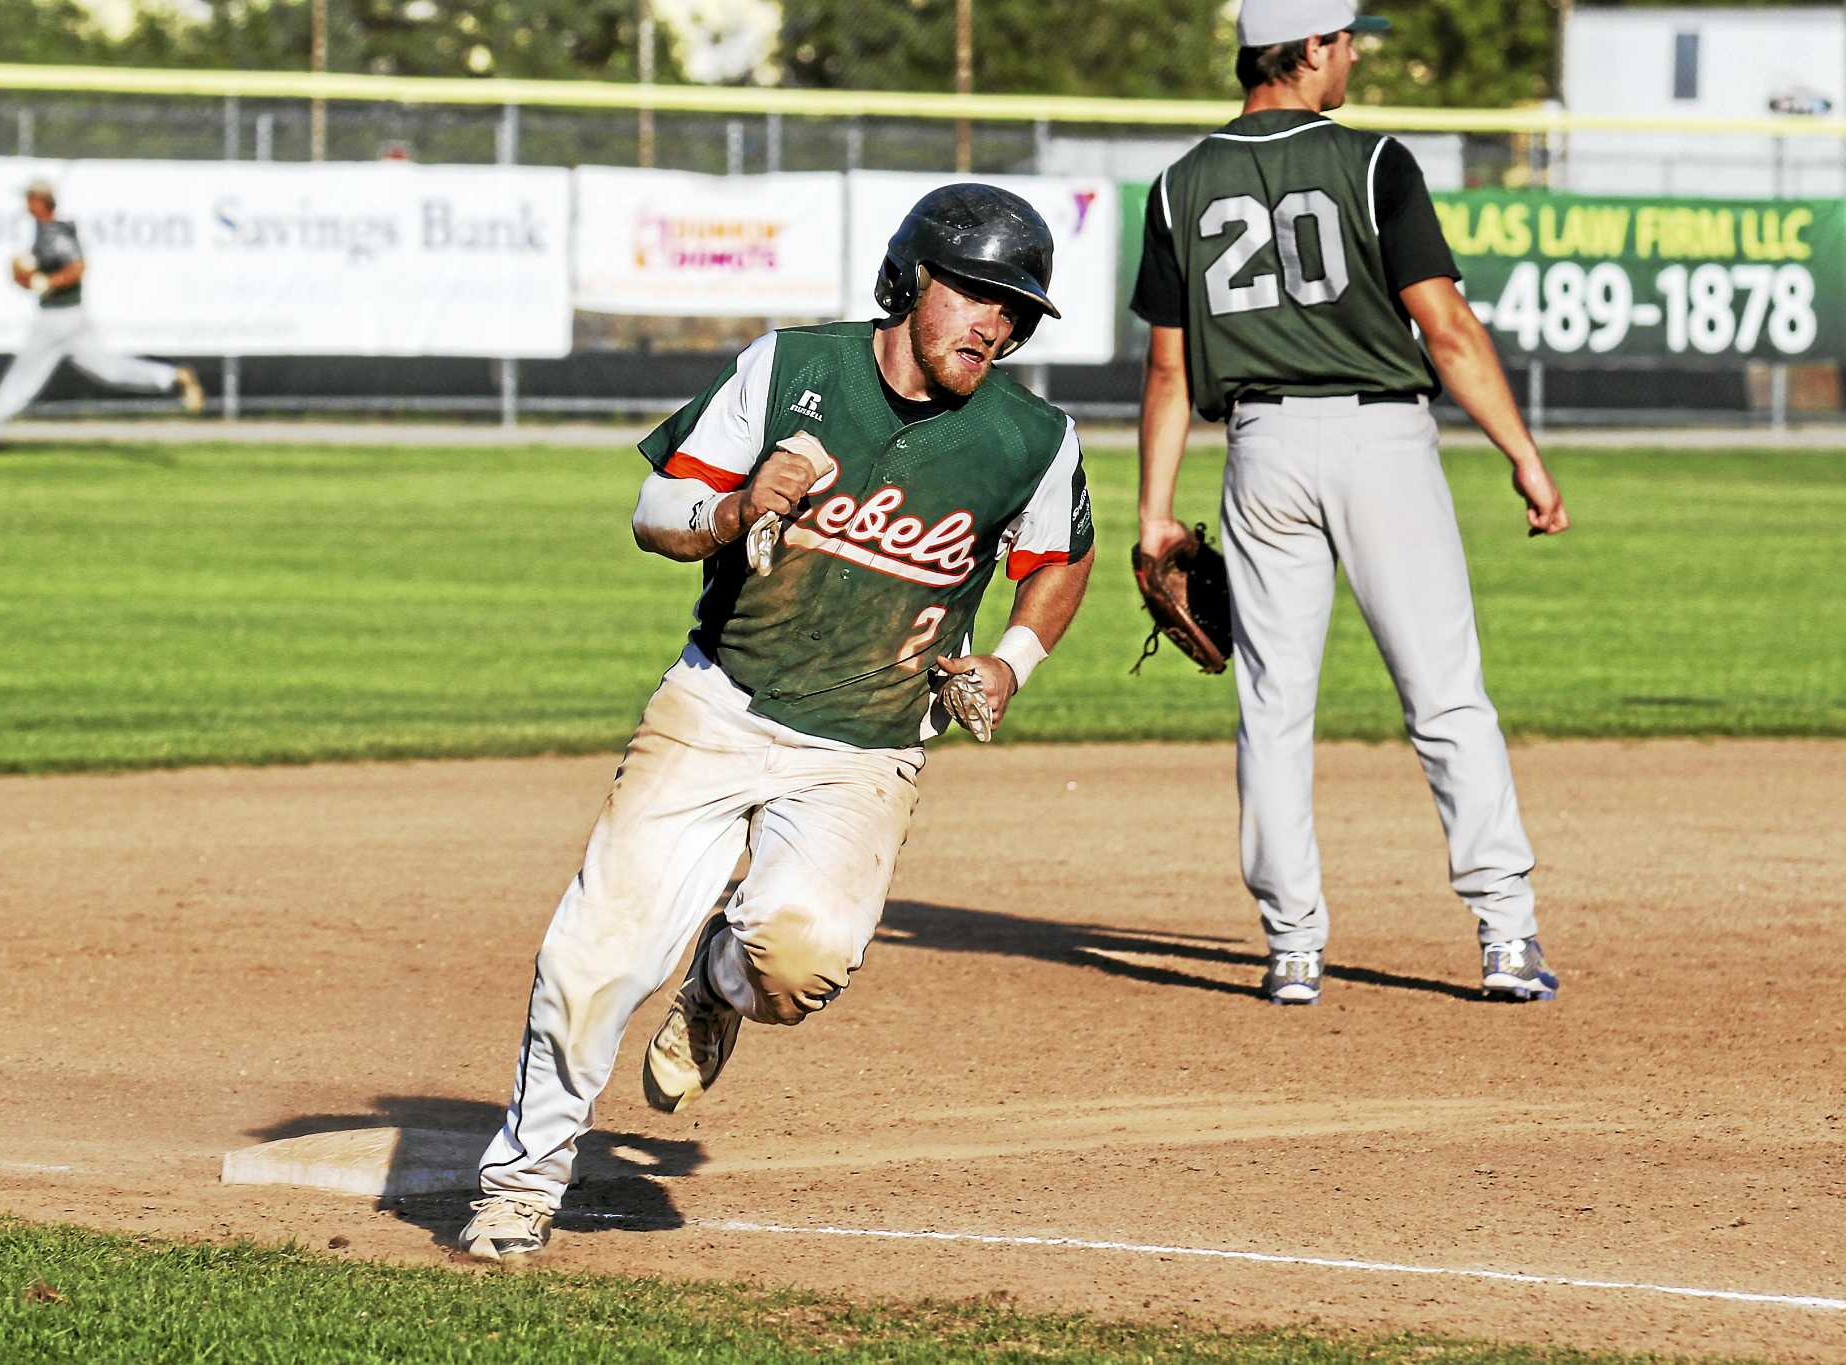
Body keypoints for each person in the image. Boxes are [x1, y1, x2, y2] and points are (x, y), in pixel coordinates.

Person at [460, 183, 1097, 1263]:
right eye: (974, 294)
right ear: (909, 281)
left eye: (1015, 308)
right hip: (718, 705)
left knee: (798, 969)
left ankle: (719, 980)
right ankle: (522, 1185)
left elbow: (1059, 561)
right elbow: (655, 511)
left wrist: (1009, 660)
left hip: (868, 746)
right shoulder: (790, 367)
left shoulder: (1031, 436)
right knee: (593, 957)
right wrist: (736, 507)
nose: (994, 324)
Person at [1129, 0, 1571, 1007]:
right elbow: (1446, 329)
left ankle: (1291, 949)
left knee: (1272, 706)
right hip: (1380, 443)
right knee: (1443, 695)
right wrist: (1522, 455)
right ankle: (1505, 936)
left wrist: (1155, 512)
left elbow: (1167, 369)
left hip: (1260, 450)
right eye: (1347, 39)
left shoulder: (1178, 184)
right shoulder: (1374, 162)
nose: (1356, 55)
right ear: (1312, 47)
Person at [0, 178, 202, 463]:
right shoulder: (46, 231)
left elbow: (78, 267)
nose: (26, 204)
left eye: (29, 199)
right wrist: (27, 278)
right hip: (72, 317)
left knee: (20, 383)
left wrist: (47, 281)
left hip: (57, 318)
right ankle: (172, 377)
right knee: (108, 369)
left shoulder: (53, 233)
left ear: (40, 201)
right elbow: (38, 276)